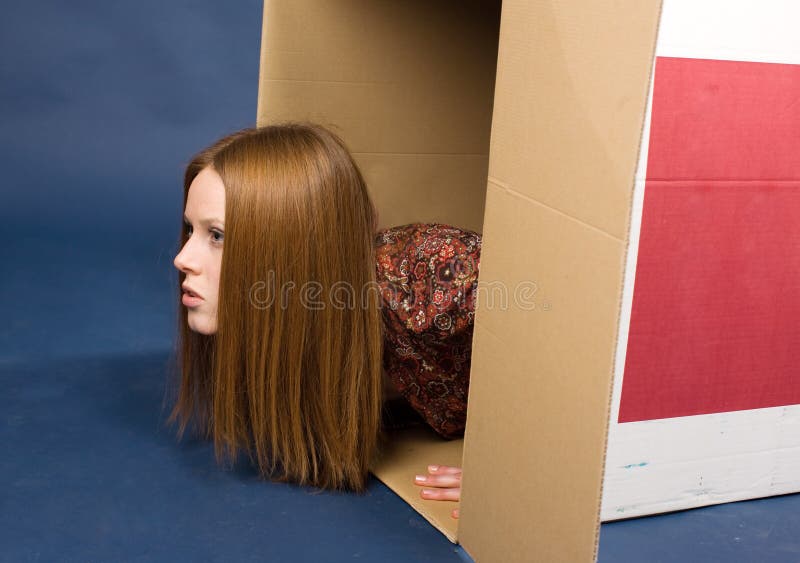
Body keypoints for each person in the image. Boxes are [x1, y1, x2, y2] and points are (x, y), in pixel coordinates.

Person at [170, 123, 479, 520]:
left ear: (288, 246)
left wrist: (516, 468)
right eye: (190, 230)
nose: (183, 258)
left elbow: (570, 337)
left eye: (216, 235)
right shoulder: (306, 321)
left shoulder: (436, 276)